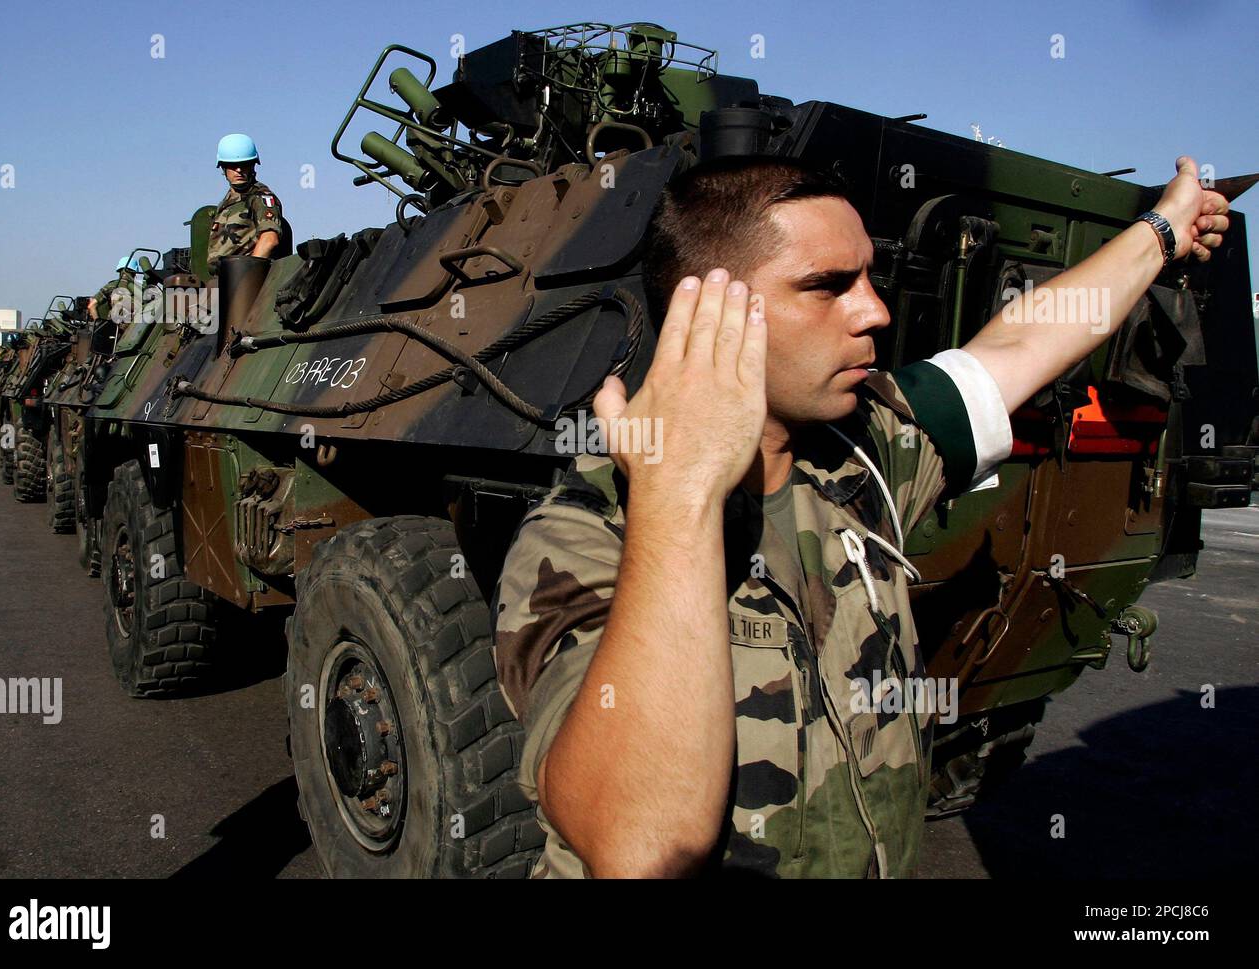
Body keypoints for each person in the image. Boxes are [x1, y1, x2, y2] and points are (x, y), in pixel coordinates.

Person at [492, 155, 1229, 878]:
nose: (874, 309)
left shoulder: (862, 451)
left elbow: (1023, 340)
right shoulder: (585, 532)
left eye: (869, 277)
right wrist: (679, 495)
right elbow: (640, 848)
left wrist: (1163, 229)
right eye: (828, 286)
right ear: (709, 316)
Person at [206, 133, 283, 276]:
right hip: (222, 279)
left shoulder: (260, 197)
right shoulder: (227, 202)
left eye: (244, 165)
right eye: (233, 166)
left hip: (242, 280)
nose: (239, 170)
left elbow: (269, 239)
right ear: (223, 168)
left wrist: (248, 277)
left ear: (253, 166)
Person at [88, 256, 142, 322]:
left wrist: (98, 324)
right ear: (135, 272)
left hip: (116, 328)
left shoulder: (110, 286)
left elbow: (91, 305)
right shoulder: (140, 288)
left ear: (119, 270)